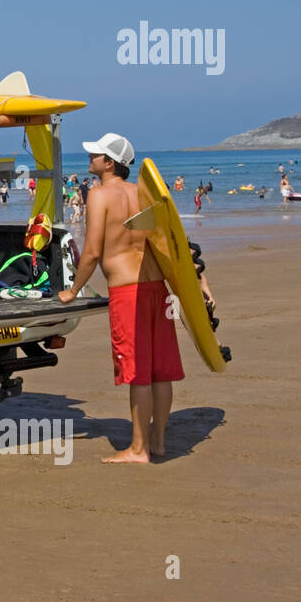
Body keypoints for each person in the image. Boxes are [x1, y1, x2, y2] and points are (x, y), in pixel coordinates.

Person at [58, 133, 215, 464]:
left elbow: (92, 251)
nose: (90, 158)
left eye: (96, 154)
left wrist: (73, 290)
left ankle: (138, 449)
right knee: (161, 372)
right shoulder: (146, 195)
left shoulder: (98, 196)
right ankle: (157, 442)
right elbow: (176, 245)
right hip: (158, 290)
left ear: (109, 163)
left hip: (127, 293)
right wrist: (201, 284)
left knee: (138, 373)